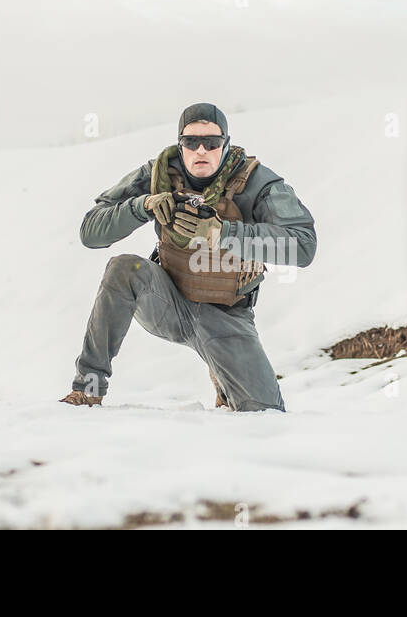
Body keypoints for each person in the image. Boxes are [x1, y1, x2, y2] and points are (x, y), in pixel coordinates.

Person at [60, 103, 317, 412]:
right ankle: (88, 389)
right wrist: (143, 206)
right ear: (180, 144)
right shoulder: (158, 174)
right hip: (168, 302)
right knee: (125, 268)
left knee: (264, 414)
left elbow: (303, 246)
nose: (201, 150)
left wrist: (225, 234)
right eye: (190, 141)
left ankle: (222, 373)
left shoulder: (258, 183)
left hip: (227, 316)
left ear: (226, 144)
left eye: (211, 142)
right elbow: (91, 232)